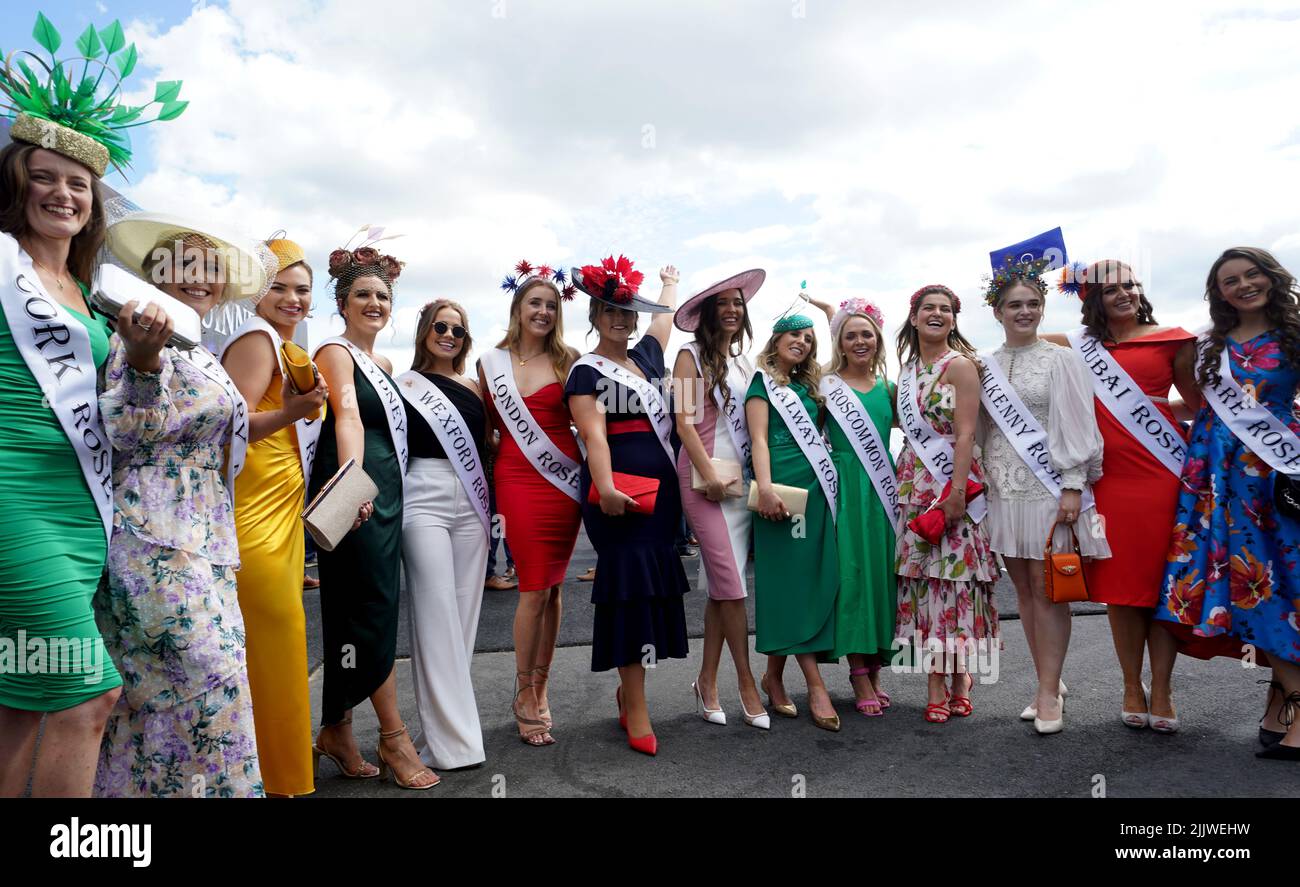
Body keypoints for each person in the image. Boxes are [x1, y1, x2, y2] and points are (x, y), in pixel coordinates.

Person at [93, 212, 272, 796]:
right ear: (155, 274)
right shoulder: (131, 334)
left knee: (182, 688)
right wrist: (144, 363)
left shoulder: (202, 351)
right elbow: (125, 432)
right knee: (201, 677)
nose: (200, 277)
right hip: (150, 532)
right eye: (185, 265)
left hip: (206, 534)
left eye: (211, 268)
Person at [1154, 247, 1300, 760]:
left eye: (1251, 274)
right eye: (1230, 280)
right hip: (1215, 478)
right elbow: (1201, 406)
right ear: (1218, 293)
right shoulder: (1208, 344)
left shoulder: (1293, 335)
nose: (1243, 285)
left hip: (1274, 476)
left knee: (1277, 584)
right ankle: (1281, 704)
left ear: (1271, 278)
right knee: (1245, 585)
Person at [1045, 260, 1198, 732]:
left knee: (1162, 586)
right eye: (1111, 289)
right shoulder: (1077, 345)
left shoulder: (1174, 339)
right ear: (1094, 298)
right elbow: (1016, 341)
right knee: (1123, 590)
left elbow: (1197, 404)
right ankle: (1132, 685)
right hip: (1108, 481)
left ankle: (1164, 689)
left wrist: (1158, 408)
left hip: (1163, 475)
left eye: (1130, 284)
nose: (1125, 293)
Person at [309, 233, 437, 789]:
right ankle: (393, 737)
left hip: (383, 490)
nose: (374, 303)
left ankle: (336, 728)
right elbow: (347, 418)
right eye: (363, 294)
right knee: (370, 606)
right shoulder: (334, 352)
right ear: (342, 303)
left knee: (358, 605)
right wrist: (352, 485)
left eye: (383, 296)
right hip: (355, 487)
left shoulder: (382, 361)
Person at [978, 263, 1108, 734]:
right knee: (1024, 592)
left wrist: (1073, 484)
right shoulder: (986, 364)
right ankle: (1045, 680)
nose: (1025, 311)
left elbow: (1077, 422)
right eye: (1015, 305)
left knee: (1049, 589)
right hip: (1003, 491)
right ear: (997, 311)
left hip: (1048, 489)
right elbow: (981, 428)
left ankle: (1049, 692)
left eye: (1033, 303)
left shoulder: (1060, 359)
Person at [565, 256, 687, 756]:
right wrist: (607, 487)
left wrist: (669, 283)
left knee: (651, 595)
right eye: (610, 310)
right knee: (630, 597)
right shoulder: (584, 372)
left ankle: (630, 693)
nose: (620, 318)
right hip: (618, 497)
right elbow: (594, 436)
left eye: (626, 312)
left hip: (663, 498)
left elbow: (664, 321)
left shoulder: (649, 359)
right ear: (595, 315)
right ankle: (635, 707)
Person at [221, 237, 329, 796]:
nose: (292, 299)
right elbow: (226, 430)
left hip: (284, 511)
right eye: (279, 288)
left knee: (278, 642)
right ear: (255, 293)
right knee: (274, 639)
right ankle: (273, 777)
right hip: (254, 514)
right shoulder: (258, 339)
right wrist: (293, 412)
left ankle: (272, 772)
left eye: (302, 290)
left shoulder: (285, 346)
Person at [479, 263, 582, 746]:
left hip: (562, 482)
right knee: (533, 588)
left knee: (554, 589)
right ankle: (523, 692)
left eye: (550, 305)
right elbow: (486, 431)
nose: (542, 311)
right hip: (516, 480)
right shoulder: (489, 363)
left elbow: (590, 421)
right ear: (517, 309)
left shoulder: (569, 360)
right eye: (534, 303)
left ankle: (541, 686)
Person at [894, 285, 1001, 724]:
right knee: (923, 584)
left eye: (945, 309)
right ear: (914, 317)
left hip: (954, 486)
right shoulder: (906, 371)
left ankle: (955, 679)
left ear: (954, 320)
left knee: (955, 584)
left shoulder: (960, 366)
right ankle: (938, 679)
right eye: (928, 308)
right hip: (913, 486)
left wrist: (956, 492)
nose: (937, 314)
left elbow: (966, 434)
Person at [672, 269, 768, 729]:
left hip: (739, 483)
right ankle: (747, 683)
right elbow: (684, 423)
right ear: (707, 312)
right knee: (732, 586)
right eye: (723, 303)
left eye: (737, 303)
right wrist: (708, 475)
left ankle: (706, 681)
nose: (732, 309)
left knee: (721, 590)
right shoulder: (688, 357)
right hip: (703, 481)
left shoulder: (745, 363)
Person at [398, 299, 490, 770]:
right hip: (422, 493)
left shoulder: (475, 387)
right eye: (440, 326)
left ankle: (440, 733)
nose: (449, 335)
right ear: (424, 331)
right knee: (435, 613)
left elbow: (488, 447)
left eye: (458, 329)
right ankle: (454, 745)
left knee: (463, 619)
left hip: (471, 501)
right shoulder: (402, 385)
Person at [746, 312, 842, 732]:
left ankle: (773, 676)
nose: (802, 341)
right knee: (788, 582)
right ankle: (816, 686)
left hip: (816, 488)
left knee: (808, 579)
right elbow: (758, 440)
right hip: (781, 491)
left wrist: (832, 313)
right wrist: (765, 488)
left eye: (808, 337)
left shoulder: (810, 385)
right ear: (777, 338)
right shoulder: (761, 383)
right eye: (795, 335)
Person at [816, 298, 900, 717]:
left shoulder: (889, 388)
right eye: (851, 336)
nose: (860, 341)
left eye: (867, 334)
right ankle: (858, 673)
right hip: (845, 489)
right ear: (841, 343)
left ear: (878, 339)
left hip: (883, 494)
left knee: (883, 577)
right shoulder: (824, 386)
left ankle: (876, 668)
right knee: (851, 576)